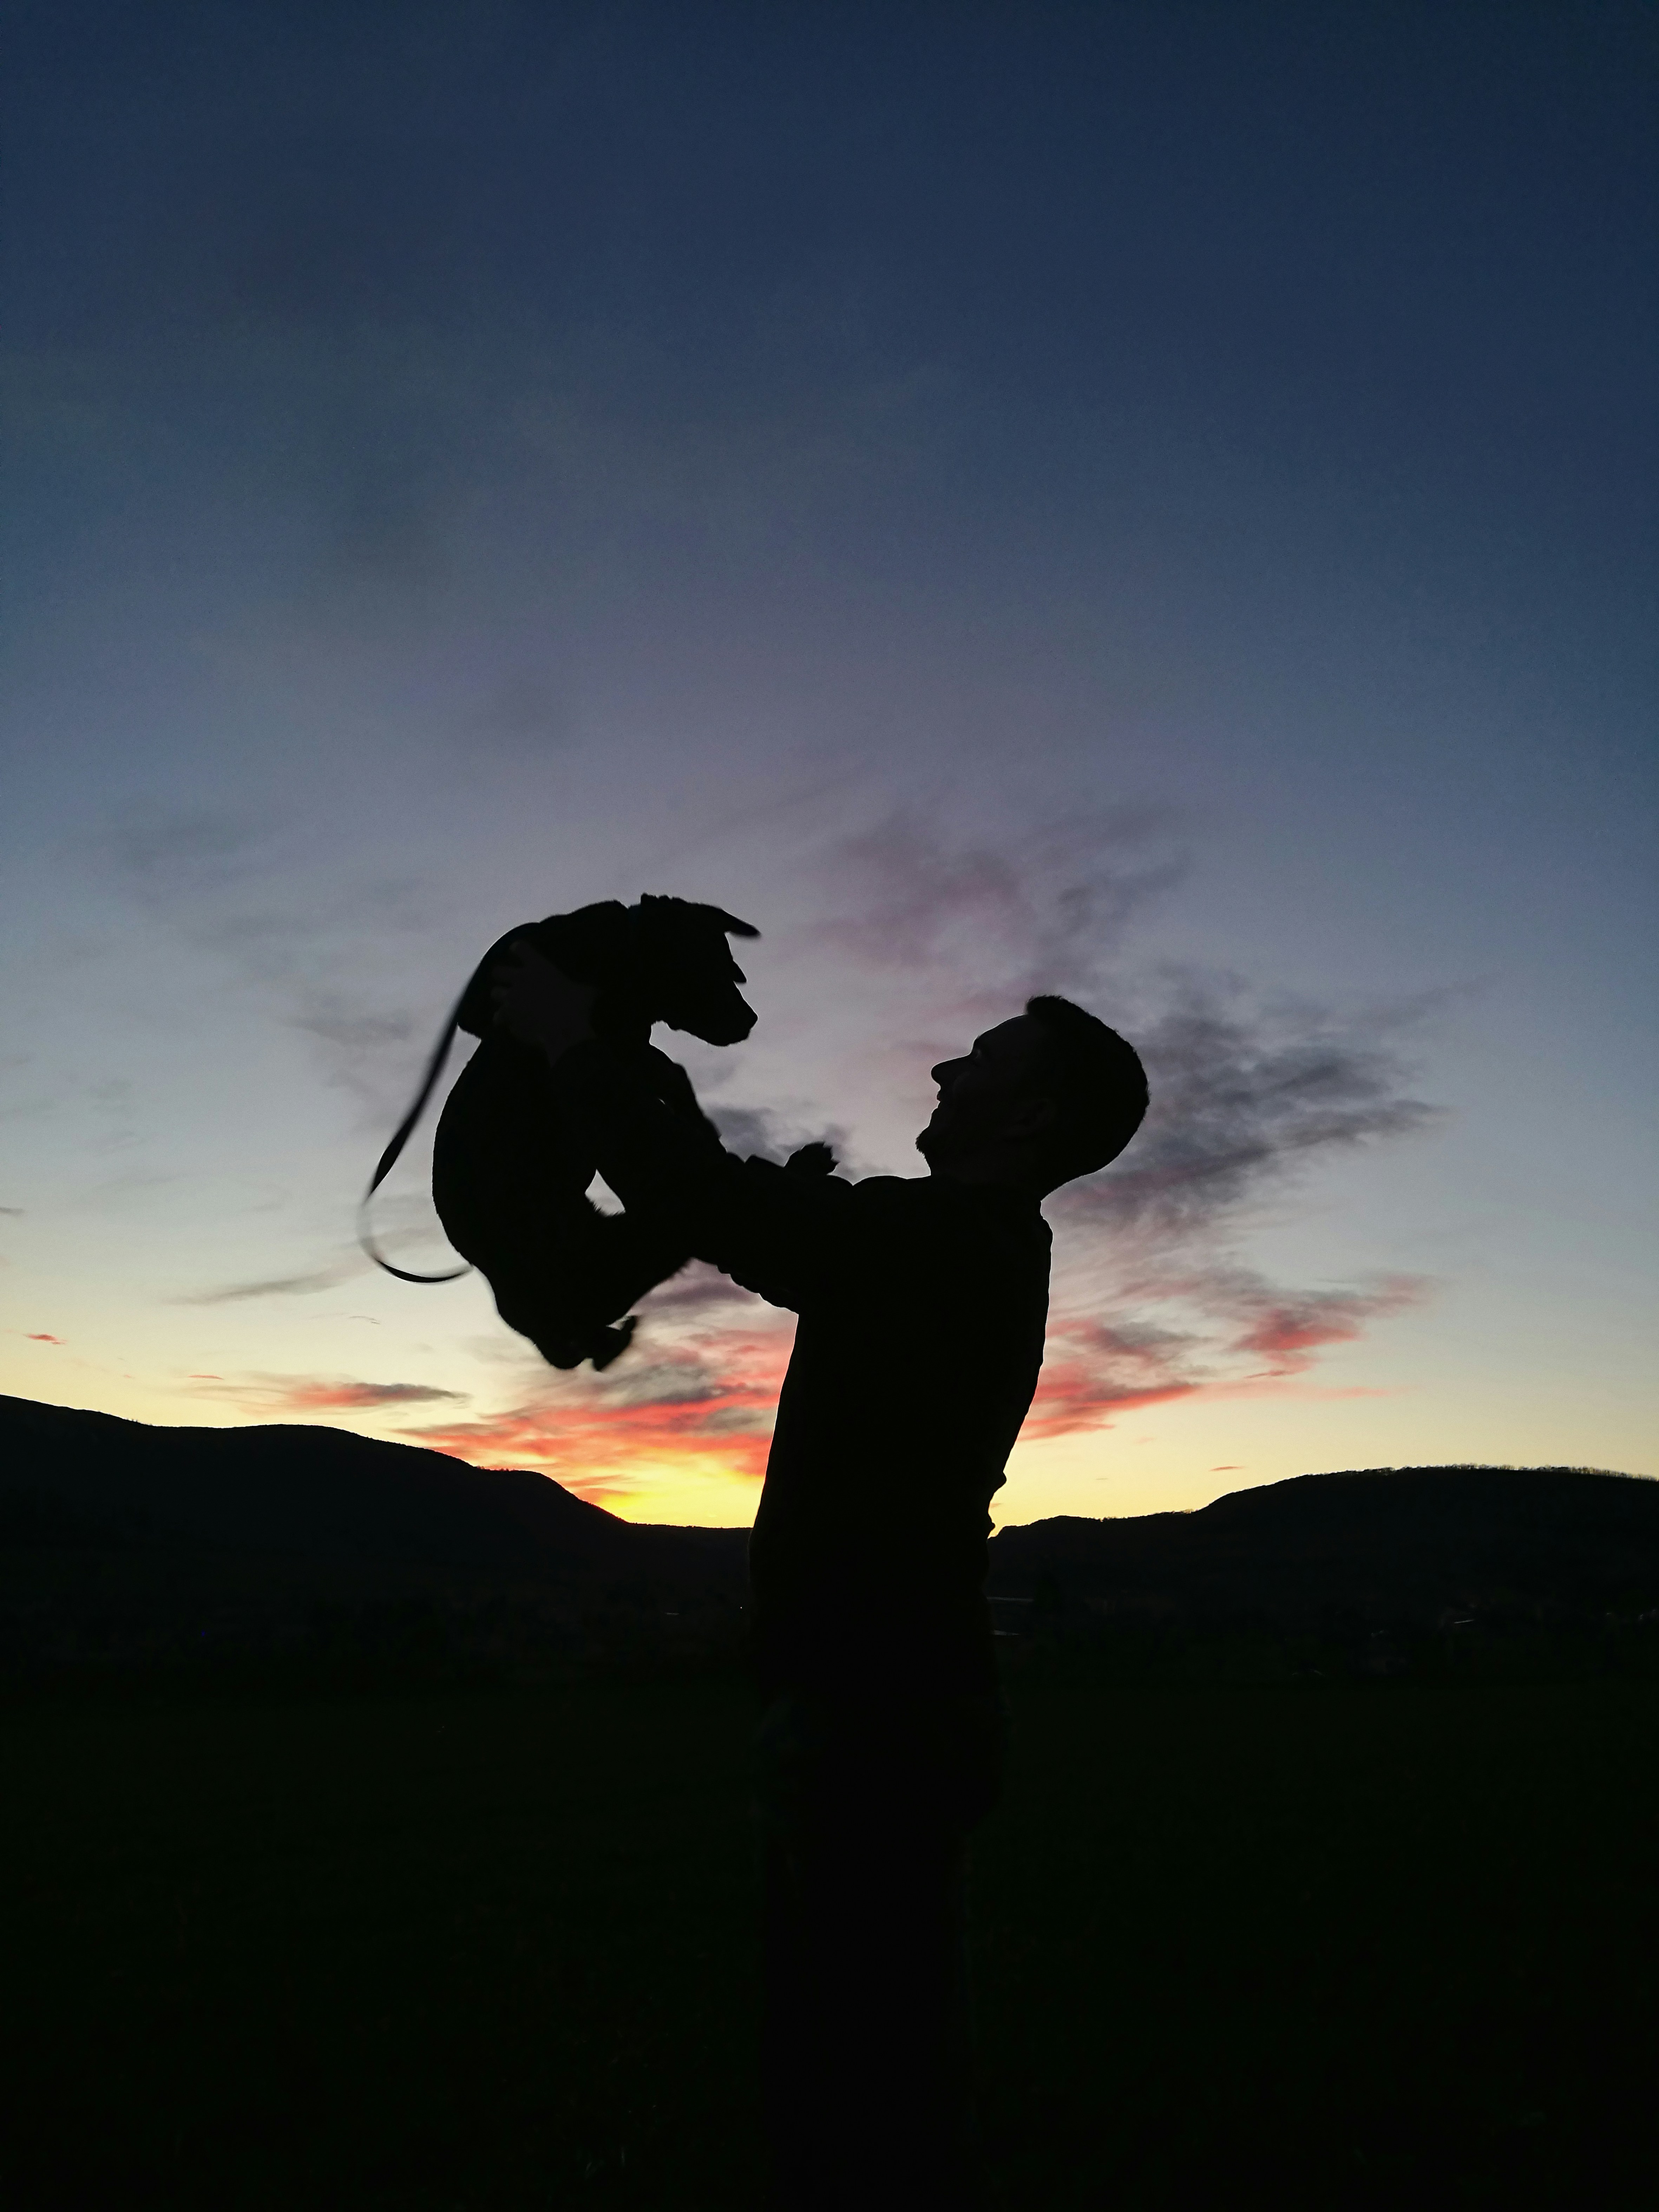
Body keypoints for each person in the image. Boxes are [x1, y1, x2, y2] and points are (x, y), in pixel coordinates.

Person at [492, 947, 1148, 2210]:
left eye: (987, 1061)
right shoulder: (955, 1242)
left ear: (1024, 1115)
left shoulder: (950, 1238)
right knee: (866, 2043)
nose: (950, 1063)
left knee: (862, 2071)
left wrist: (580, 1040)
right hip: (888, 1692)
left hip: (876, 1702)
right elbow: (745, 1205)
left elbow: (711, 1202)